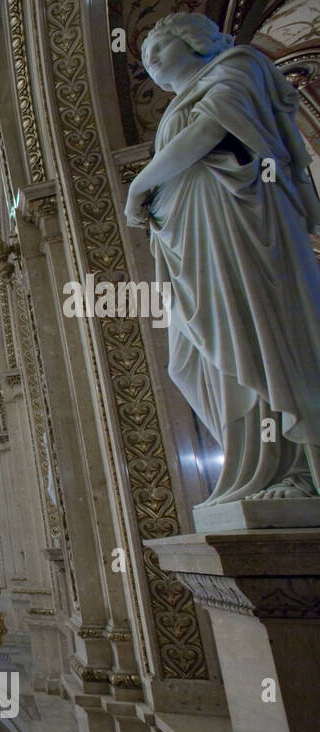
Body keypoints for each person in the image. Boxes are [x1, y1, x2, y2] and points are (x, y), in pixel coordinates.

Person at [128, 13, 320, 509]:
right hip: (190, 236)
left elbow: (213, 130)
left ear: (194, 42)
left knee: (252, 330)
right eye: (144, 59)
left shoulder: (235, 67)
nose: (148, 64)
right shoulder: (192, 94)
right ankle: (253, 465)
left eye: (157, 49)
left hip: (237, 222)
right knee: (195, 358)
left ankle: (293, 465)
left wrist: (139, 184)